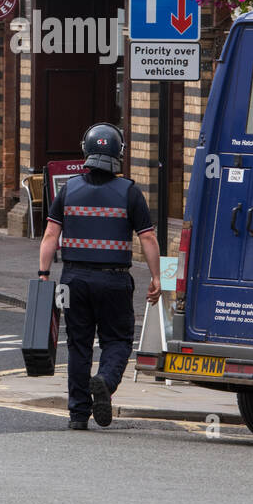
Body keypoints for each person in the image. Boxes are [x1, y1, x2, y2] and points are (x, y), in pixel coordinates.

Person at [38, 122, 161, 431]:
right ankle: (105, 380)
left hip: (73, 279)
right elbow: (148, 239)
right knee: (118, 340)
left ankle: (78, 415)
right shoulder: (130, 192)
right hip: (114, 280)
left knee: (78, 345)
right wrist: (157, 278)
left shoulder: (69, 189)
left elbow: (50, 234)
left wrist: (43, 274)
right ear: (119, 153)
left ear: (86, 152)